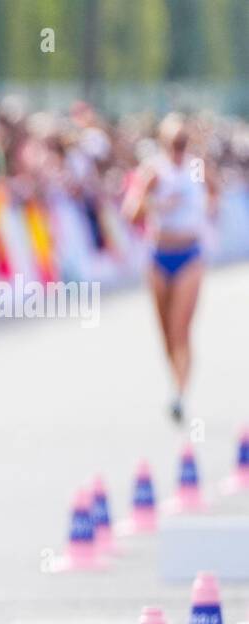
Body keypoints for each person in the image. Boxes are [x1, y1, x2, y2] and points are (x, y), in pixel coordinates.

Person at [123, 114, 217, 423]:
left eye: (182, 143)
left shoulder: (196, 168)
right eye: (173, 144)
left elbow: (215, 195)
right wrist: (157, 205)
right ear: (163, 144)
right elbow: (131, 212)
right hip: (159, 256)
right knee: (165, 333)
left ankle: (180, 393)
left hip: (189, 256)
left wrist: (207, 211)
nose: (178, 149)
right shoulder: (154, 170)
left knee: (180, 328)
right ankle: (174, 382)